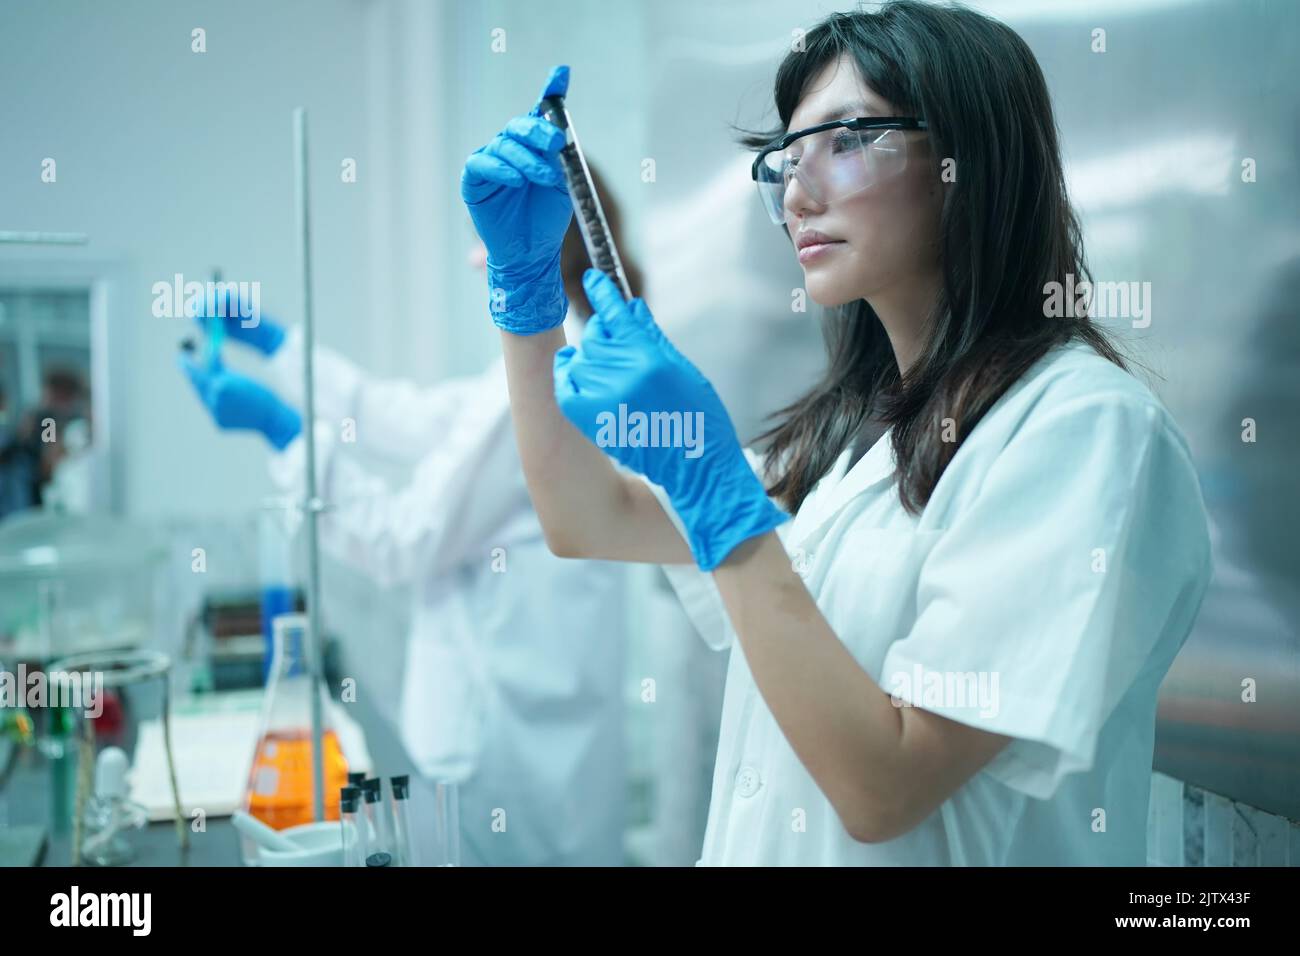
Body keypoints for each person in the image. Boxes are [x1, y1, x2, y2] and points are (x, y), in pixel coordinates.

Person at [462, 2, 1213, 866]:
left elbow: (884, 787)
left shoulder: (1084, 431)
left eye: (850, 138)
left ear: (973, 158)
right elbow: (583, 516)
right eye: (786, 156)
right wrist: (526, 302)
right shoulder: (851, 442)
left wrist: (718, 496)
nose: (796, 191)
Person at [179, 181, 642, 866]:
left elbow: (401, 540)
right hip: (546, 743)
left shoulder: (552, 373)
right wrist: (278, 347)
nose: (473, 259)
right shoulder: (569, 355)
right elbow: (404, 416)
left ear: (539, 243)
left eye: (487, 238)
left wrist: (283, 436)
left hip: (506, 754)